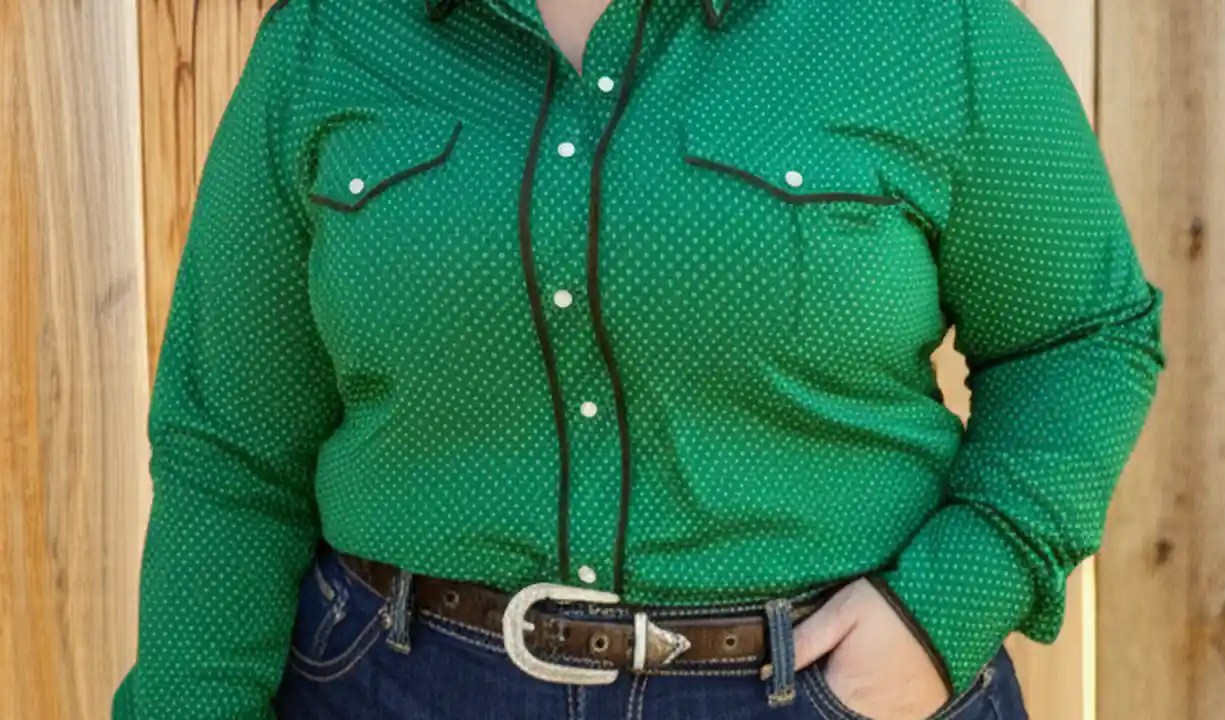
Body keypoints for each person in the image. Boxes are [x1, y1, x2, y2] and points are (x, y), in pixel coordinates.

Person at [112, 0, 1167, 717]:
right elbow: (231, 449)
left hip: (823, 688)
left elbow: (1079, 339)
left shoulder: (919, 31)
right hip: (394, 684)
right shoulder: (330, 39)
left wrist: (948, 608)